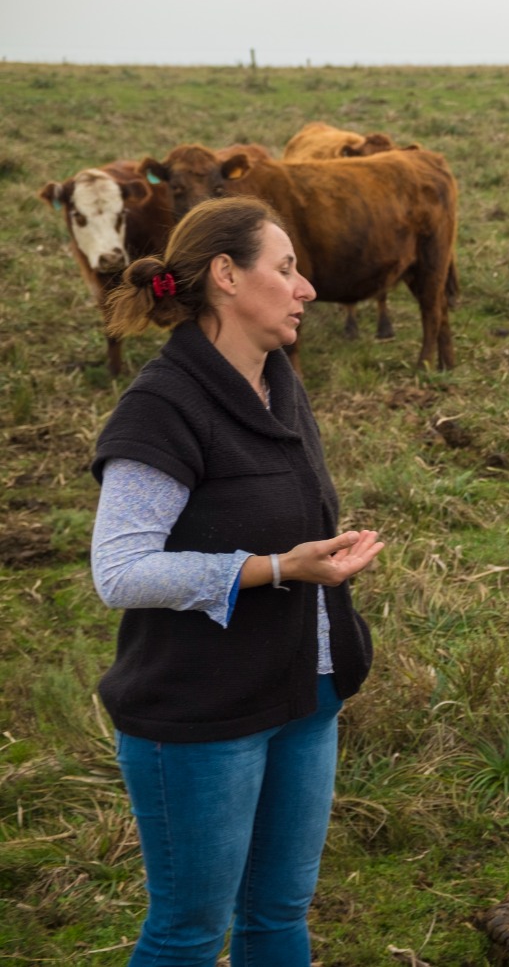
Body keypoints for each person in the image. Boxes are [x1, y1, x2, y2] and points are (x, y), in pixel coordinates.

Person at [90, 196, 384, 966]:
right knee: (189, 932)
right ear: (226, 275)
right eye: (285, 269)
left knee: (280, 916)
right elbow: (119, 571)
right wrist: (277, 568)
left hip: (306, 694)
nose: (306, 287)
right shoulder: (161, 406)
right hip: (203, 712)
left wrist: (322, 559)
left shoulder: (279, 382)